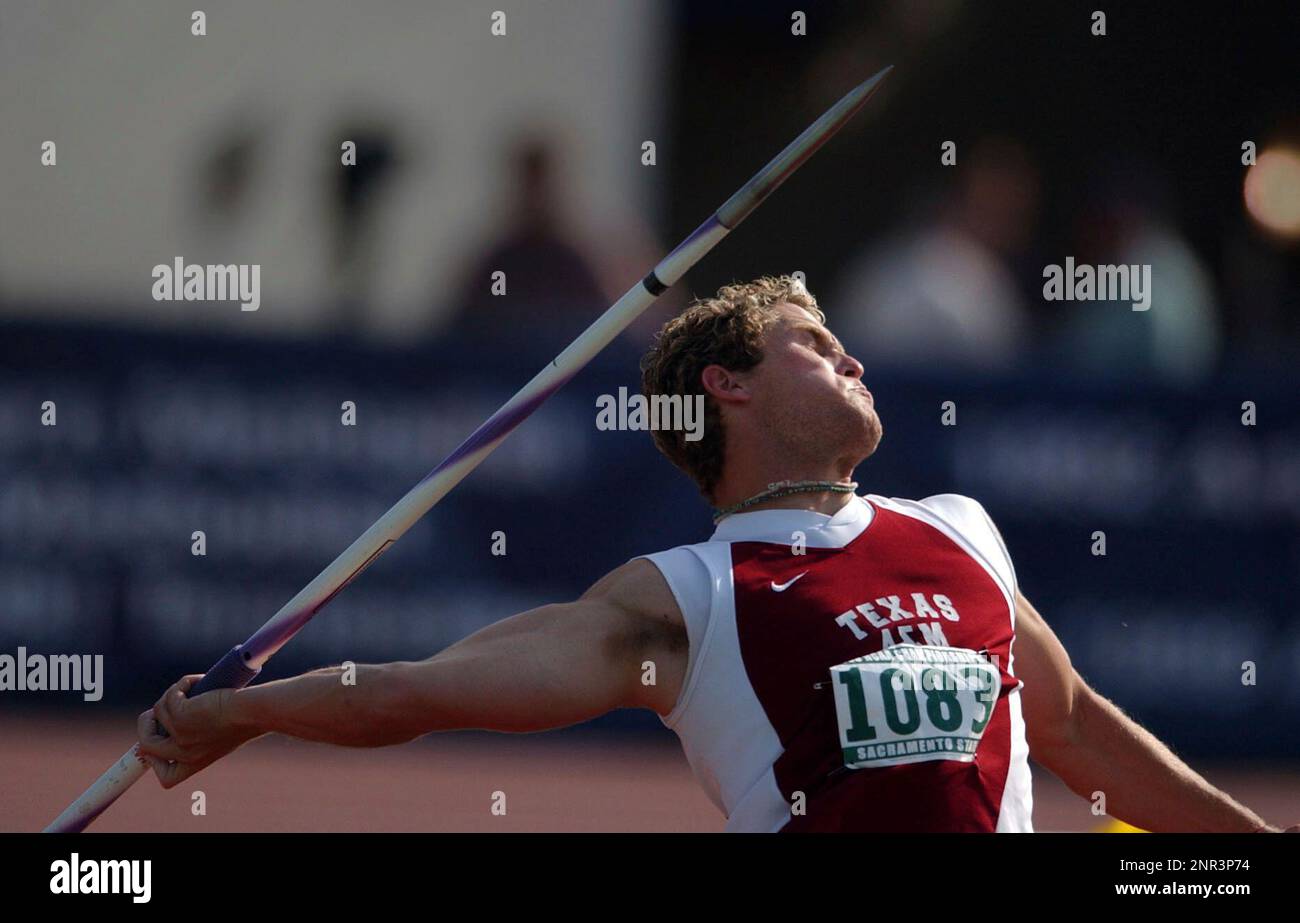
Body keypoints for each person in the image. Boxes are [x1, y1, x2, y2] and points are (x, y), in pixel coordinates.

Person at [138, 274, 1295, 833]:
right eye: (814, 343)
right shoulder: (684, 599)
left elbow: (1076, 729)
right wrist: (239, 712)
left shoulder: (957, 528)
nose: (853, 360)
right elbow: (415, 692)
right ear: (726, 386)